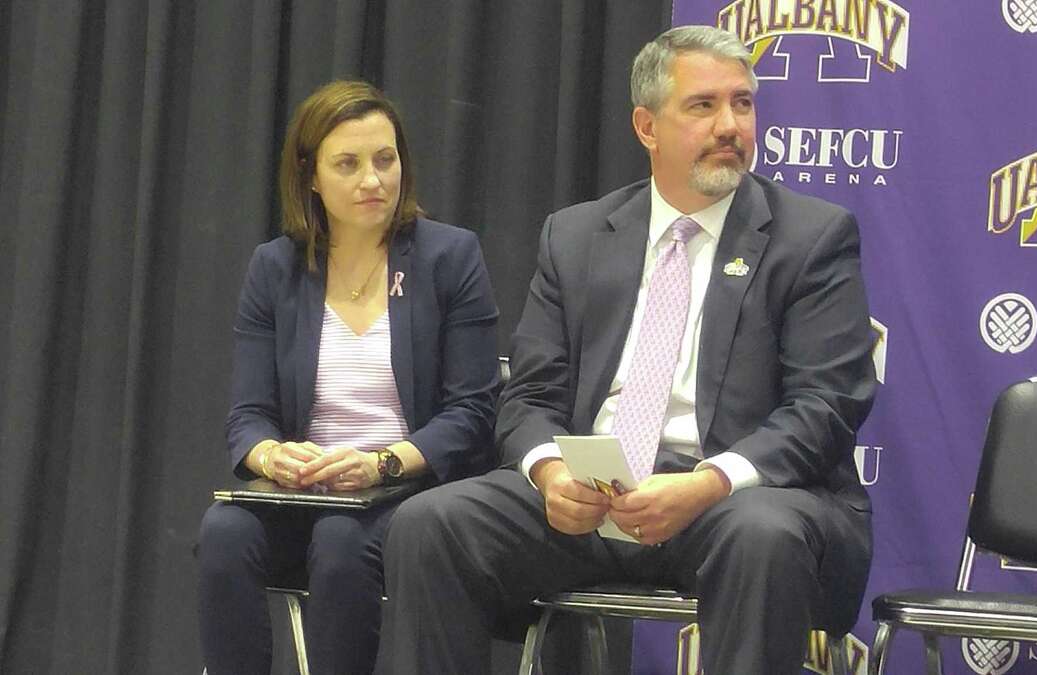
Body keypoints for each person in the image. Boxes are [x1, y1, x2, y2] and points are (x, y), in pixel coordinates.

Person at [383, 25, 876, 673]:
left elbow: (827, 405)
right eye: (703, 106)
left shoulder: (811, 237)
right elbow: (530, 396)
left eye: (743, 103)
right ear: (647, 127)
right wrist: (552, 474)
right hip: (600, 498)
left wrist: (707, 482)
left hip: (734, 504)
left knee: (762, 534)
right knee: (431, 521)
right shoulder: (578, 235)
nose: (731, 124)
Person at [196, 80, 499, 675]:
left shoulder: (449, 257)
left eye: (386, 160)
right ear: (310, 176)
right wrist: (271, 457)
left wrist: (380, 462)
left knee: (340, 541)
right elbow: (248, 414)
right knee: (224, 530)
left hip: (406, 489)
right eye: (349, 164)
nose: (373, 180)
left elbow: (472, 413)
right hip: (306, 486)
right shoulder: (275, 267)